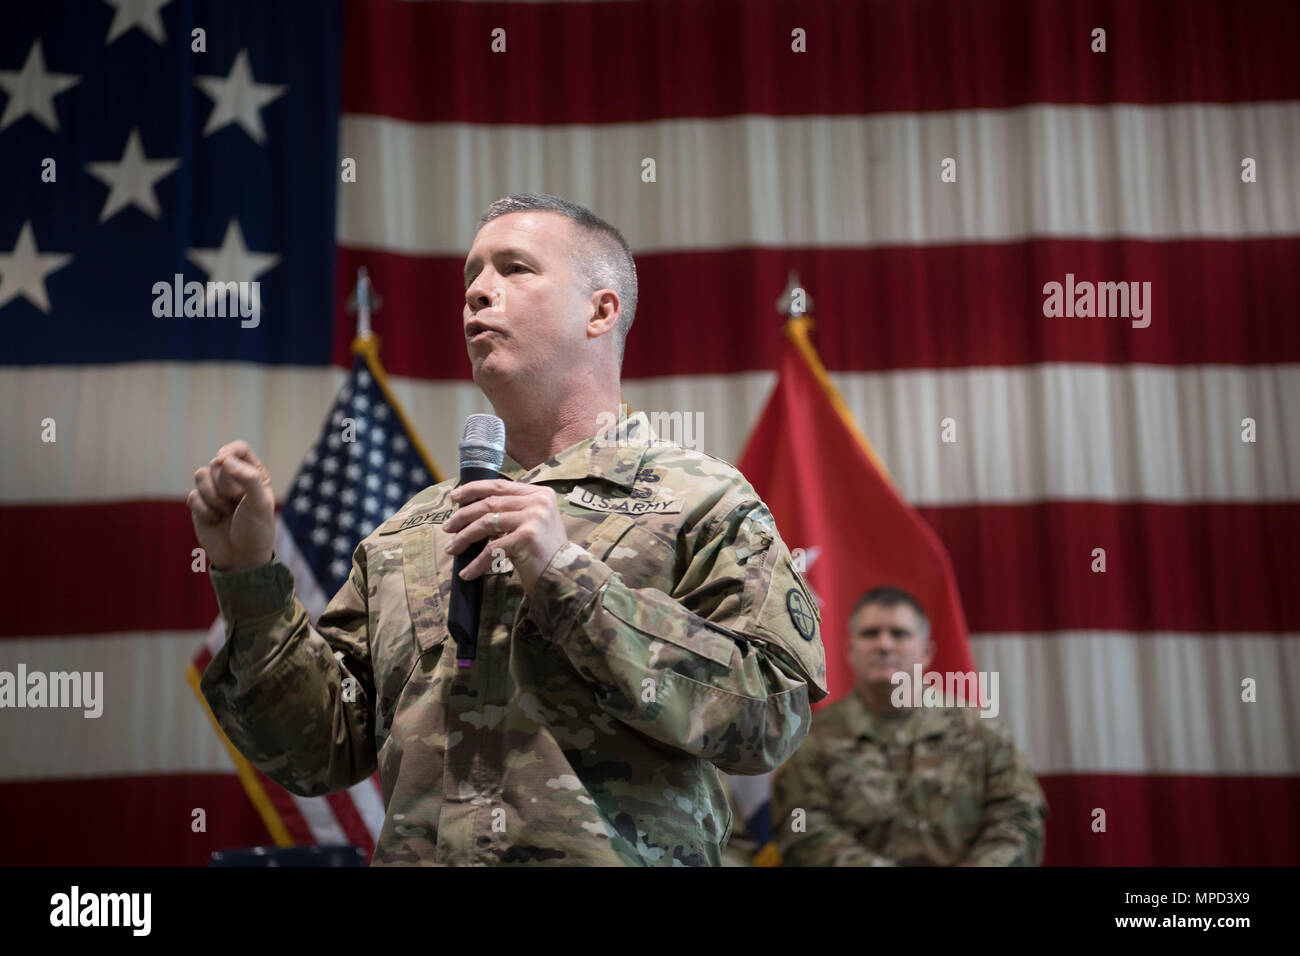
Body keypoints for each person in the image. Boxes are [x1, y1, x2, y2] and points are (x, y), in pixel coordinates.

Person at [189, 193, 828, 866]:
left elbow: (770, 718)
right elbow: (315, 753)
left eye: (513, 268)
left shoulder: (701, 502)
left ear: (600, 310)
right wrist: (251, 580)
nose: (478, 294)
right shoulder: (411, 532)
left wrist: (569, 577)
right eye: (471, 276)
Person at [771, 586, 1046, 866]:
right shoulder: (811, 739)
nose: (884, 645)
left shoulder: (982, 733)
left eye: (899, 633)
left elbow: (1019, 819)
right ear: (849, 651)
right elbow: (801, 830)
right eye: (870, 634)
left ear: (926, 652)